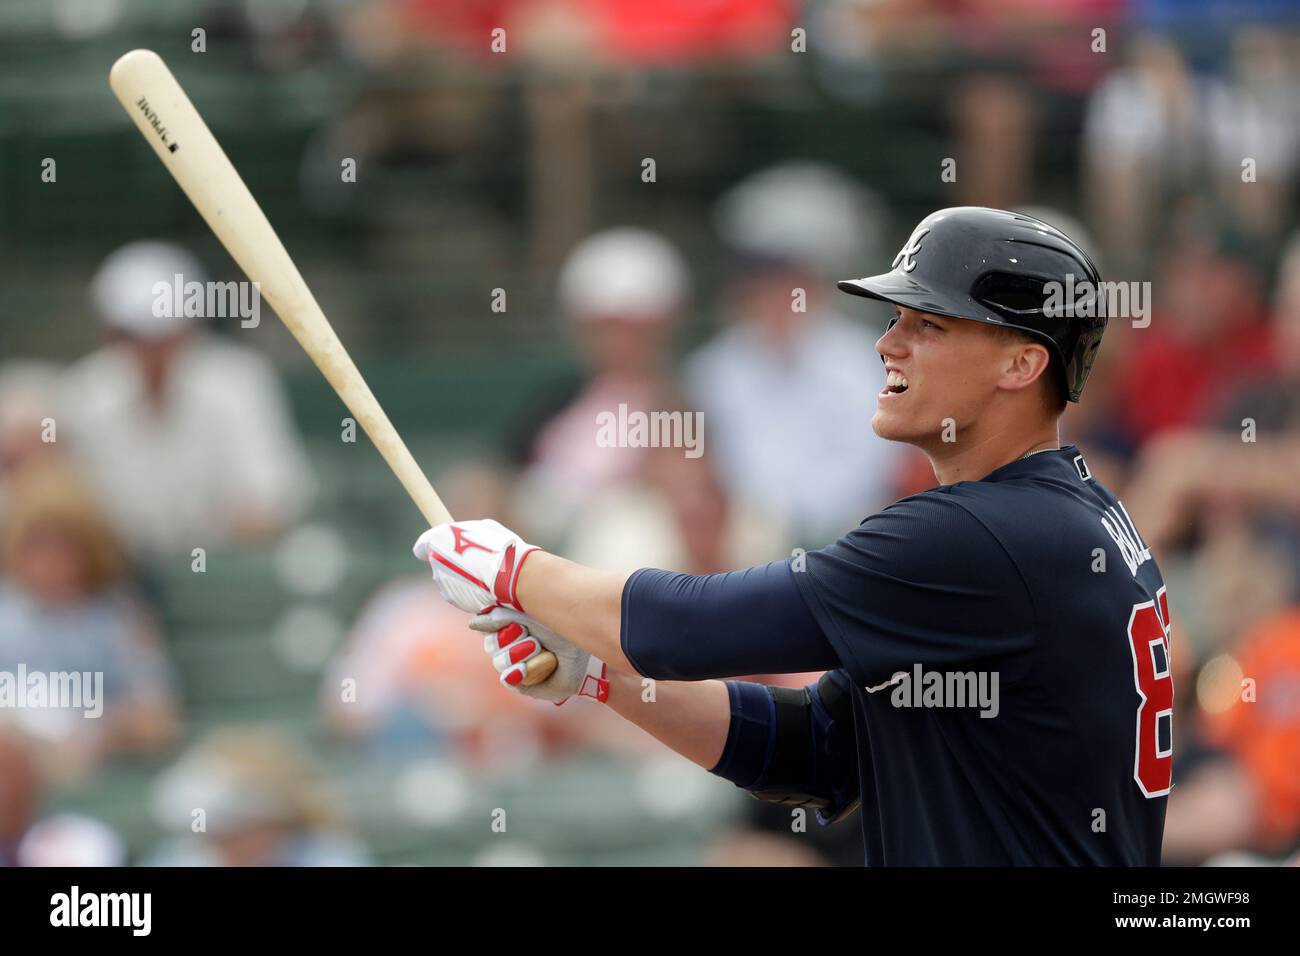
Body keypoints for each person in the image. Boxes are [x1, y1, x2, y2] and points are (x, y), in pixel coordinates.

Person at [412, 207, 1171, 866]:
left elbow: (690, 628)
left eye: (928, 325)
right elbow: (814, 750)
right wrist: (601, 678)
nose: (888, 344)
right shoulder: (1062, 514)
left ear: (1022, 362)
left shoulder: (981, 533)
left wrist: (512, 569)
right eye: (895, 320)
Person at [58, 241, 314, 559]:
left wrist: (226, 527)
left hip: (221, 567)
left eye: (162, 337)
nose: (150, 353)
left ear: (190, 329)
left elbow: (276, 495)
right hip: (112, 572)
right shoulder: (83, 393)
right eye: (133, 337)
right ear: (109, 334)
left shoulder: (239, 382)